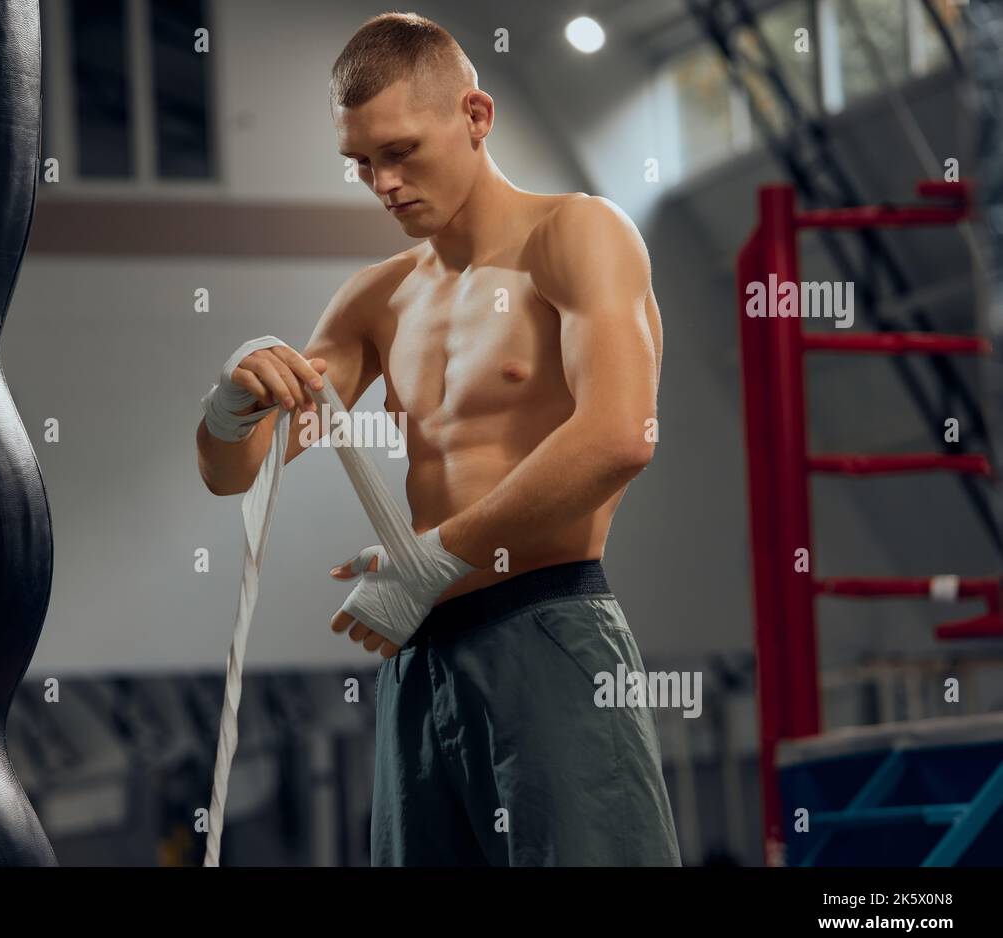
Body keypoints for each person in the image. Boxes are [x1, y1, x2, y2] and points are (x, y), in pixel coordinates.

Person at [196, 11, 679, 866]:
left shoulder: (577, 234)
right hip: (420, 659)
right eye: (362, 163)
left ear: (476, 116)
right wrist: (228, 407)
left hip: (551, 629)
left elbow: (619, 437)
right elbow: (241, 472)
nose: (382, 182)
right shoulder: (375, 299)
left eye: (401, 151)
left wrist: (436, 557)